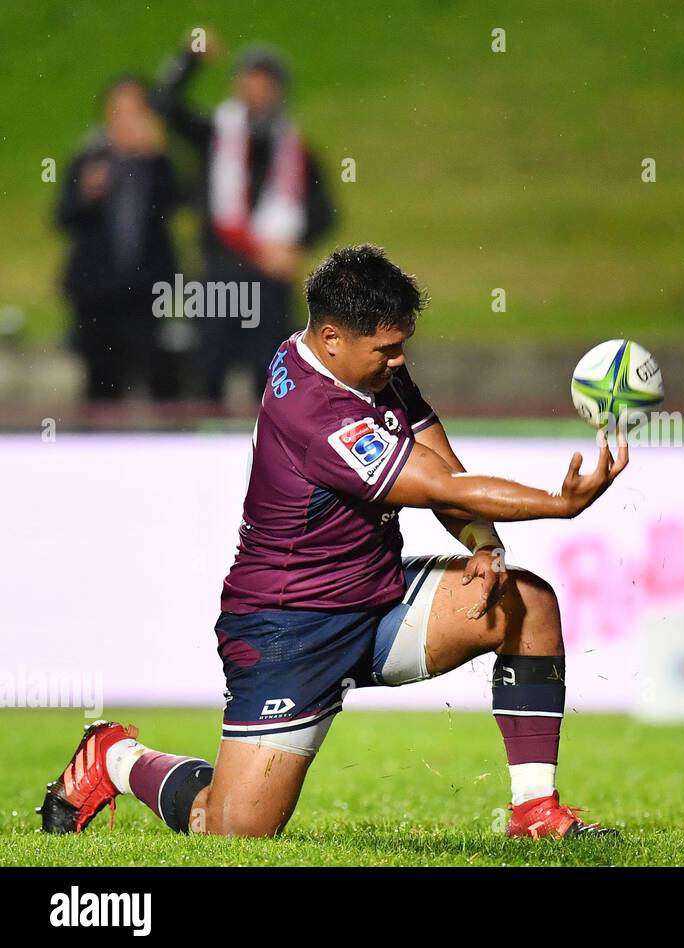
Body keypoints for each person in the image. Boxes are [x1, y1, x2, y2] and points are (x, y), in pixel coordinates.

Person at [39, 245, 628, 840]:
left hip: (379, 604)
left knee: (528, 604)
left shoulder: (359, 368)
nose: (400, 361)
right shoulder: (317, 414)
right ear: (330, 339)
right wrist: (562, 503)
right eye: (387, 349)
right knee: (230, 830)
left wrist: (484, 544)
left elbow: (448, 475)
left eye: (403, 345)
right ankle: (115, 756)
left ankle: (534, 813)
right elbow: (444, 485)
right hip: (289, 629)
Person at [151, 36, 335, 405]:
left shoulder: (295, 149)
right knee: (206, 374)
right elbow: (164, 103)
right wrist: (188, 60)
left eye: (264, 84)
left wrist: (291, 247)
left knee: (271, 379)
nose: (255, 92)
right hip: (219, 274)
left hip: (270, 282)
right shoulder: (215, 136)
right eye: (249, 82)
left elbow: (323, 212)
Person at [55, 75, 184, 402]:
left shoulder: (156, 162)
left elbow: (180, 201)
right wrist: (87, 194)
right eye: (119, 112)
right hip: (95, 290)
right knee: (100, 379)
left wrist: (156, 156)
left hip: (145, 289)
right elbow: (64, 216)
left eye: (134, 112)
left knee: (155, 373)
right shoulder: (89, 158)